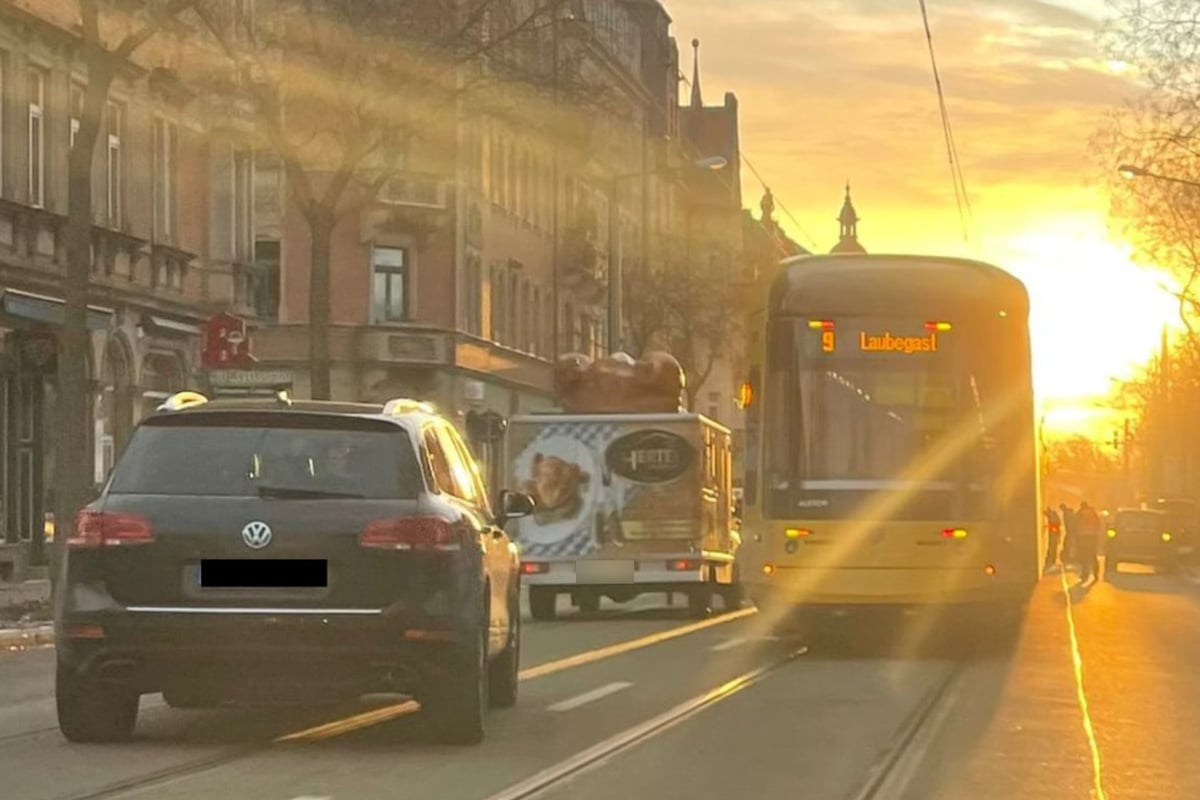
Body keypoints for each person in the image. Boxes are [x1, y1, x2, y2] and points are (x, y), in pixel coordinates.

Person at [1075, 500, 1103, 583]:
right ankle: (1096, 574)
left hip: (1083, 536)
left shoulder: (1080, 513)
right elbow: (1098, 523)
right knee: (1093, 555)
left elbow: (1076, 524)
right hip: (1093, 536)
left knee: (1084, 556)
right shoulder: (1093, 512)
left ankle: (1085, 574)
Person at [1044, 505, 1063, 571]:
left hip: (1054, 533)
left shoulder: (1052, 516)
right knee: (1053, 546)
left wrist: (1048, 527)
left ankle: (1052, 559)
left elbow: (1055, 525)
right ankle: (1052, 559)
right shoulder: (1054, 515)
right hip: (1055, 533)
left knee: (1053, 546)